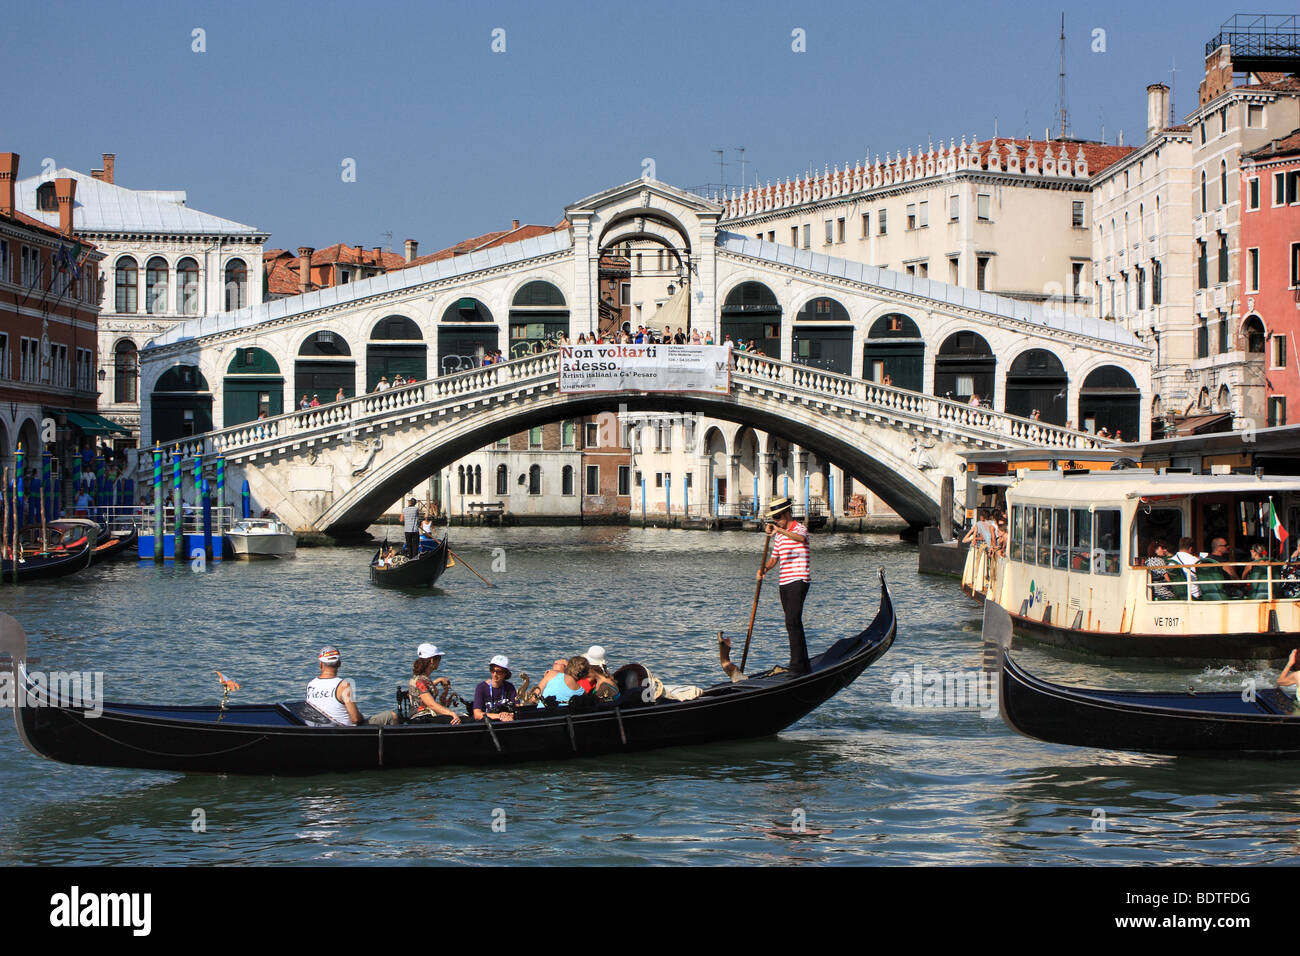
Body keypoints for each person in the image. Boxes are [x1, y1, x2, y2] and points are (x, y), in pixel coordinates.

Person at [758, 495, 811, 676]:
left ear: (787, 513)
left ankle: (796, 666)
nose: (776, 521)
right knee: (792, 623)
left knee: (792, 620)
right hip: (784, 583)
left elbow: (800, 539)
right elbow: (774, 558)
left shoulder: (800, 529)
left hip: (799, 579)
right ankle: (803, 664)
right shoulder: (779, 537)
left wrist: (778, 531)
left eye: (778, 517)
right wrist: (765, 568)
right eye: (774, 518)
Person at [305, 646, 394, 725]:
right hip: (345, 732)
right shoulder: (343, 685)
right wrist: (360, 716)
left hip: (320, 730)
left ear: (321, 665)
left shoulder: (311, 685)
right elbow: (355, 719)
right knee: (392, 716)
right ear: (339, 664)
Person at [406, 643, 461, 724]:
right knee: (462, 720)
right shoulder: (421, 681)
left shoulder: (423, 678)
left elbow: (426, 691)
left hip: (427, 716)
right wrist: (451, 713)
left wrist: (445, 691)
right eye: (439, 658)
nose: (440, 661)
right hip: (421, 718)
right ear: (432, 660)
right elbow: (431, 705)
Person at [473, 655, 517, 721]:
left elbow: (518, 709)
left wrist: (508, 715)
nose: (495, 674)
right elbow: (477, 714)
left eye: (499, 671)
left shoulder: (510, 687)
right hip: (488, 723)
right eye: (492, 670)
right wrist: (499, 716)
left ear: (505, 673)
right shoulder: (481, 687)